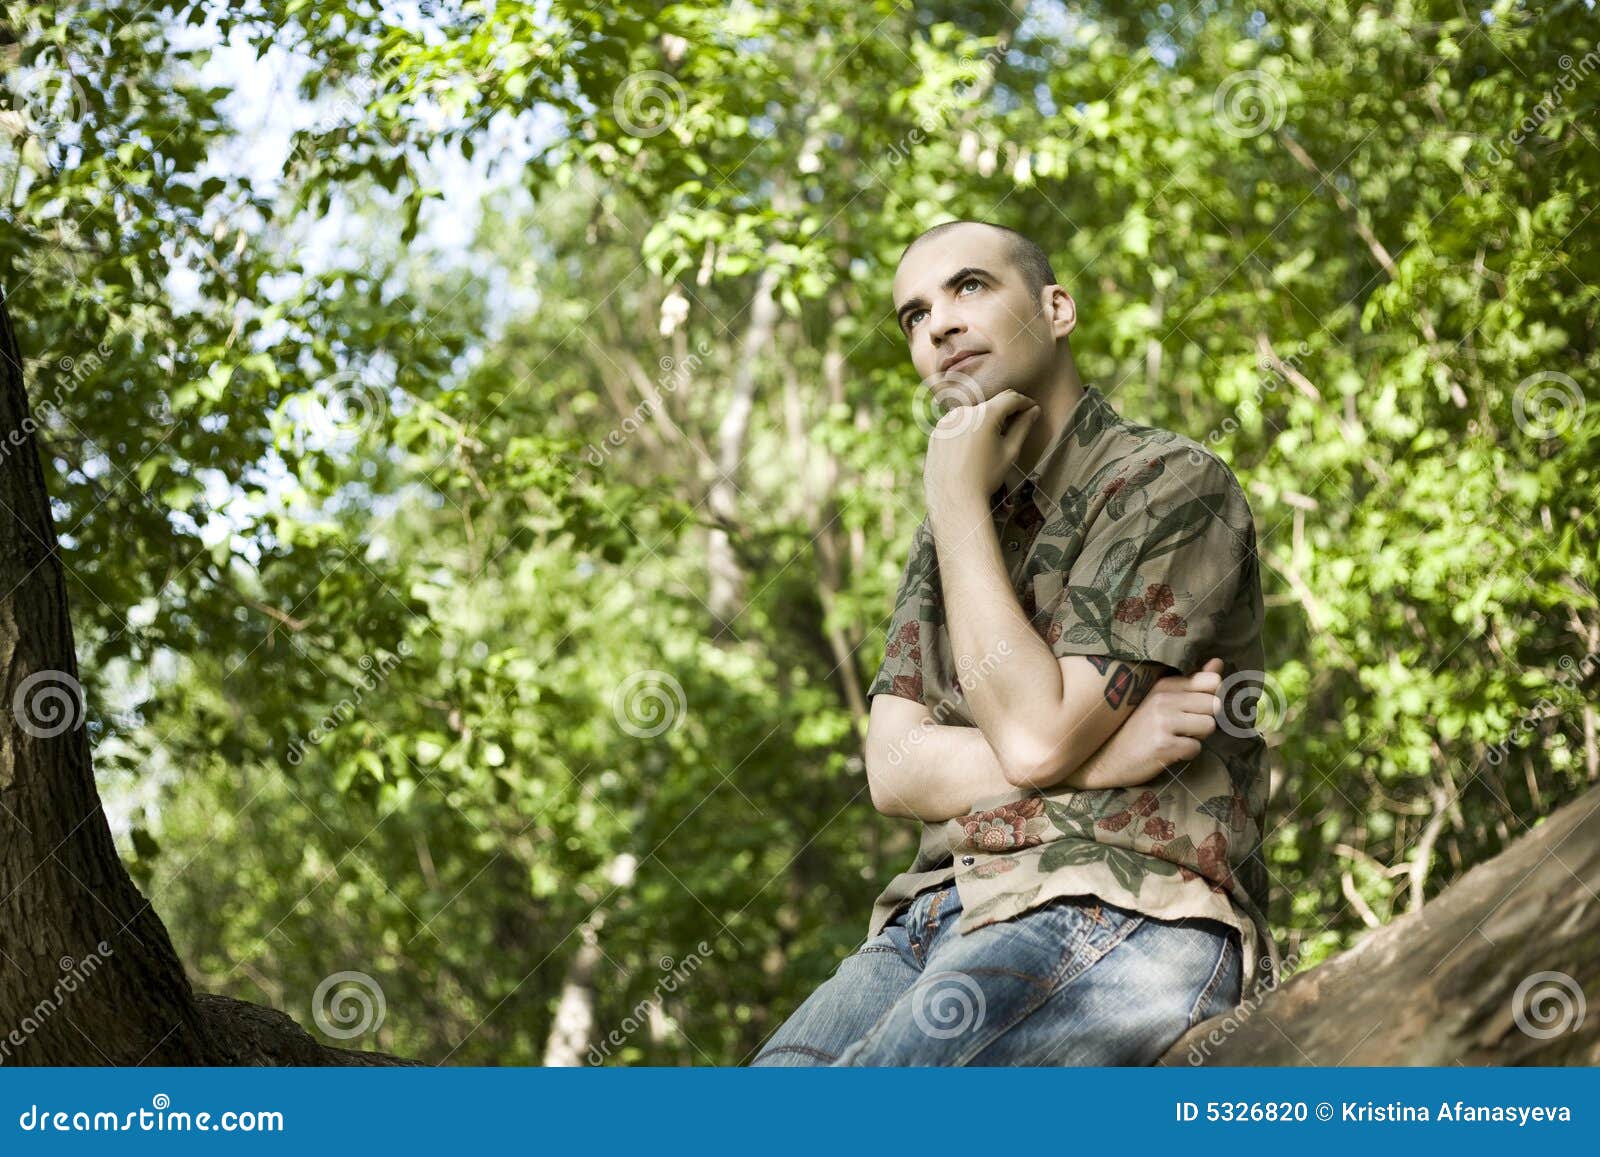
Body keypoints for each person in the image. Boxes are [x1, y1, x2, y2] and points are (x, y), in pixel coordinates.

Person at [750, 220, 1281, 1067]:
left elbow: (1034, 739)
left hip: (1120, 900)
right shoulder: (949, 532)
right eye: (915, 315)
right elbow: (894, 769)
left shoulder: (1168, 482)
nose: (939, 325)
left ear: (1057, 309)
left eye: (969, 286)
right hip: (929, 914)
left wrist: (953, 499)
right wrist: (1104, 760)